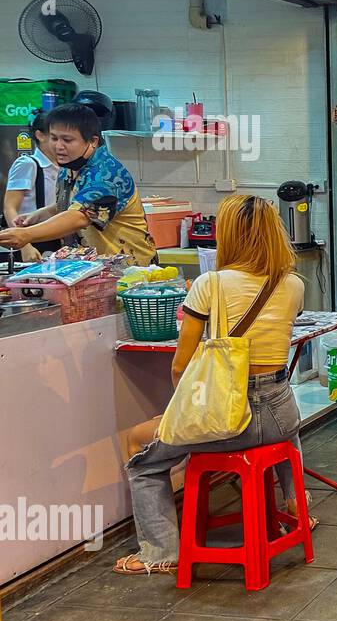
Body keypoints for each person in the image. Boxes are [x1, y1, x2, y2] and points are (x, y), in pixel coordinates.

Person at [114, 195, 307, 575]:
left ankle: (160, 552)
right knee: (283, 430)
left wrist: (180, 414)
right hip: (283, 414)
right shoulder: (293, 284)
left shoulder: (209, 284)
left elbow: (181, 366)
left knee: (139, 444)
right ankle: (298, 507)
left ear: (230, 235)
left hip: (231, 421)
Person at [0, 104, 155, 265]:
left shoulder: (105, 175)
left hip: (132, 273)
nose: (58, 146)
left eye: (67, 140)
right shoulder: (69, 166)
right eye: (54, 138)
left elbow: (79, 217)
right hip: (89, 270)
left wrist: (27, 235)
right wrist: (39, 215)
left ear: (93, 141)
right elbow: (71, 204)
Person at [3, 111, 62, 257]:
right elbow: (9, 207)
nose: (60, 143)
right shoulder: (28, 164)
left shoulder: (63, 167)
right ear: (40, 135)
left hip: (56, 238)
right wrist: (24, 245)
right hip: (32, 240)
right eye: (54, 137)